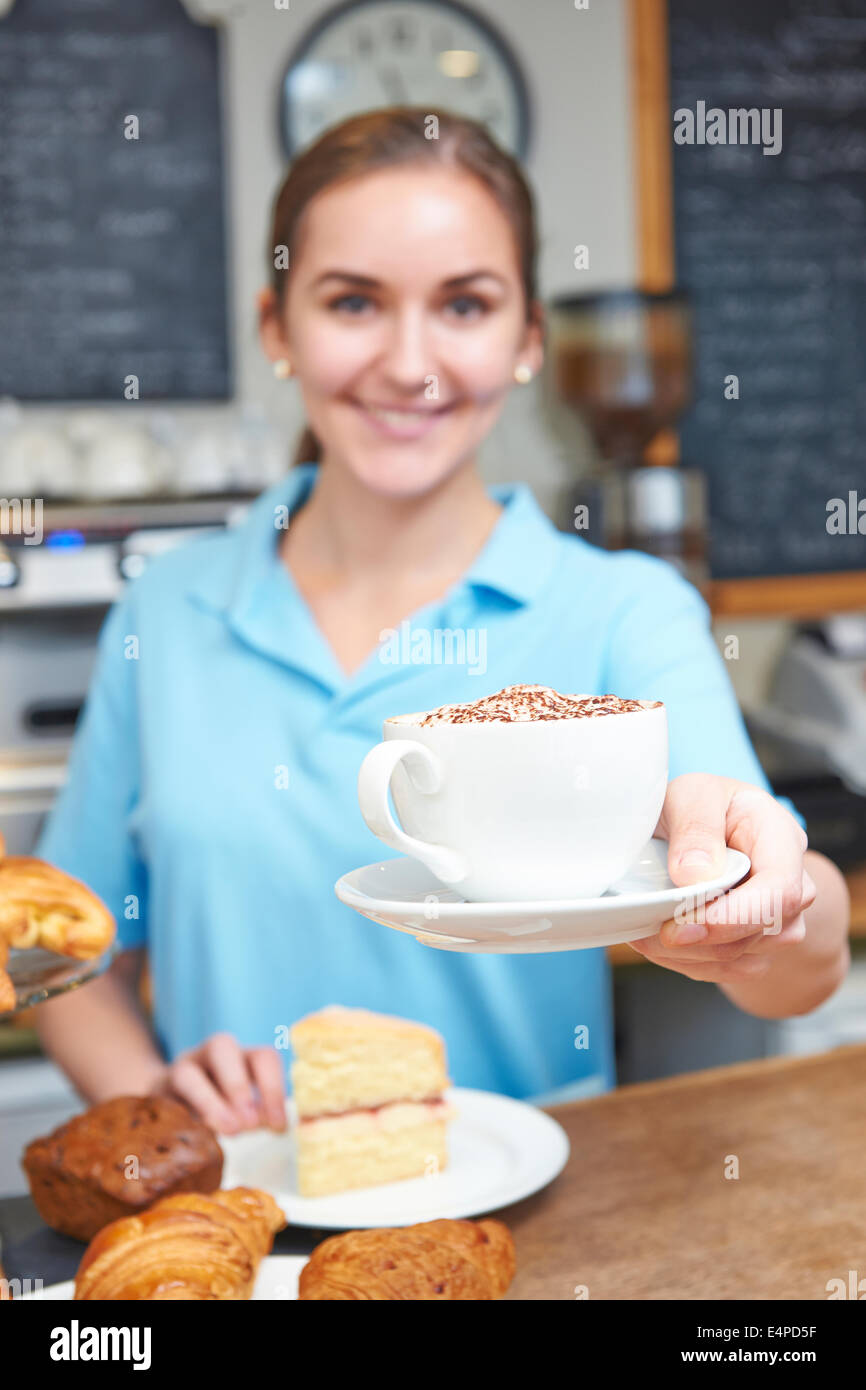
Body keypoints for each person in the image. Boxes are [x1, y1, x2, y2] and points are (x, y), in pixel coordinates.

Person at [36, 108, 849, 1135]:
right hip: (248, 1227)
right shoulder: (164, 613)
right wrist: (161, 1111)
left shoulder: (620, 614)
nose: (410, 362)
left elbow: (795, 965)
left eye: (464, 305)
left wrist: (771, 902)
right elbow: (64, 954)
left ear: (525, 341)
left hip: (541, 1233)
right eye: (352, 302)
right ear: (277, 328)